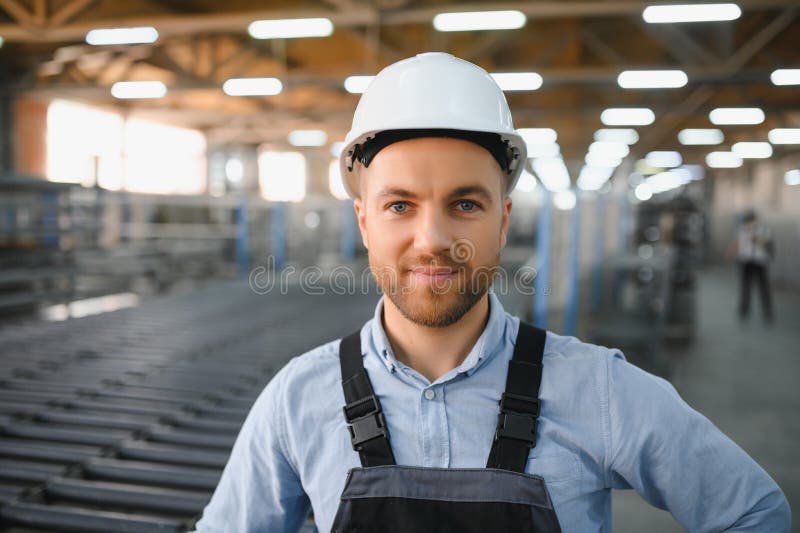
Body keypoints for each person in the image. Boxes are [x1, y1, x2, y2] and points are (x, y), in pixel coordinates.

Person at [193, 53, 790, 532]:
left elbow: (755, 513)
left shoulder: (601, 393)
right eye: (400, 205)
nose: (432, 240)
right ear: (364, 223)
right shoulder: (296, 403)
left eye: (465, 204)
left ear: (502, 222)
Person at [729, 210, 774, 322]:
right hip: (746, 261)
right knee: (745, 287)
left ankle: (767, 311)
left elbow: (766, 243)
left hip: (760, 261)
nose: (749, 223)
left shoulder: (763, 229)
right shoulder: (742, 229)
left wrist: (755, 236)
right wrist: (731, 252)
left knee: (763, 287)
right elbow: (737, 242)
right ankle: (744, 311)